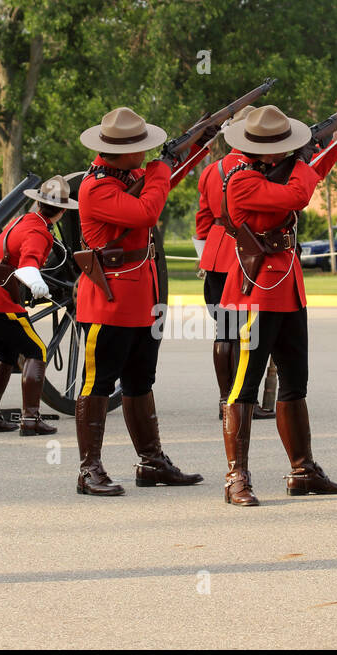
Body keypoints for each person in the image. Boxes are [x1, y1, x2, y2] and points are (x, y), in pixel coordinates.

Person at [216, 105, 337, 506]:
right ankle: (236, 476)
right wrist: (305, 162)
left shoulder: (279, 169)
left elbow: (306, 181)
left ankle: (303, 469)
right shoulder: (241, 180)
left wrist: (327, 146)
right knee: (244, 387)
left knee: (295, 382)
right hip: (254, 292)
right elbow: (298, 194)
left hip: (287, 287)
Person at [73, 106, 206, 496]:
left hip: (140, 297)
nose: (149, 154)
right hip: (109, 300)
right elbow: (148, 210)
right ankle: (89, 469)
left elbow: (164, 179)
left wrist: (199, 143)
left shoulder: (128, 174)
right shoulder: (96, 187)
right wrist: (162, 169)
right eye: (143, 149)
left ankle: (151, 462)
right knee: (98, 385)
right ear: (123, 151)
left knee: (140, 381)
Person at [0, 174, 71, 435]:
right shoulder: (40, 232)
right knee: (36, 350)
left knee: (5, 352)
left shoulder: (24, 219)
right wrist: (35, 281)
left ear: (39, 204)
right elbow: (29, 263)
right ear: (63, 211)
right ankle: (31, 420)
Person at [194, 105, 276, 422]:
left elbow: (203, 219)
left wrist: (206, 253)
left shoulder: (211, 170)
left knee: (224, 331)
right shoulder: (260, 167)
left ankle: (224, 399)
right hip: (247, 251)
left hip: (216, 251)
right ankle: (243, 400)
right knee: (247, 332)